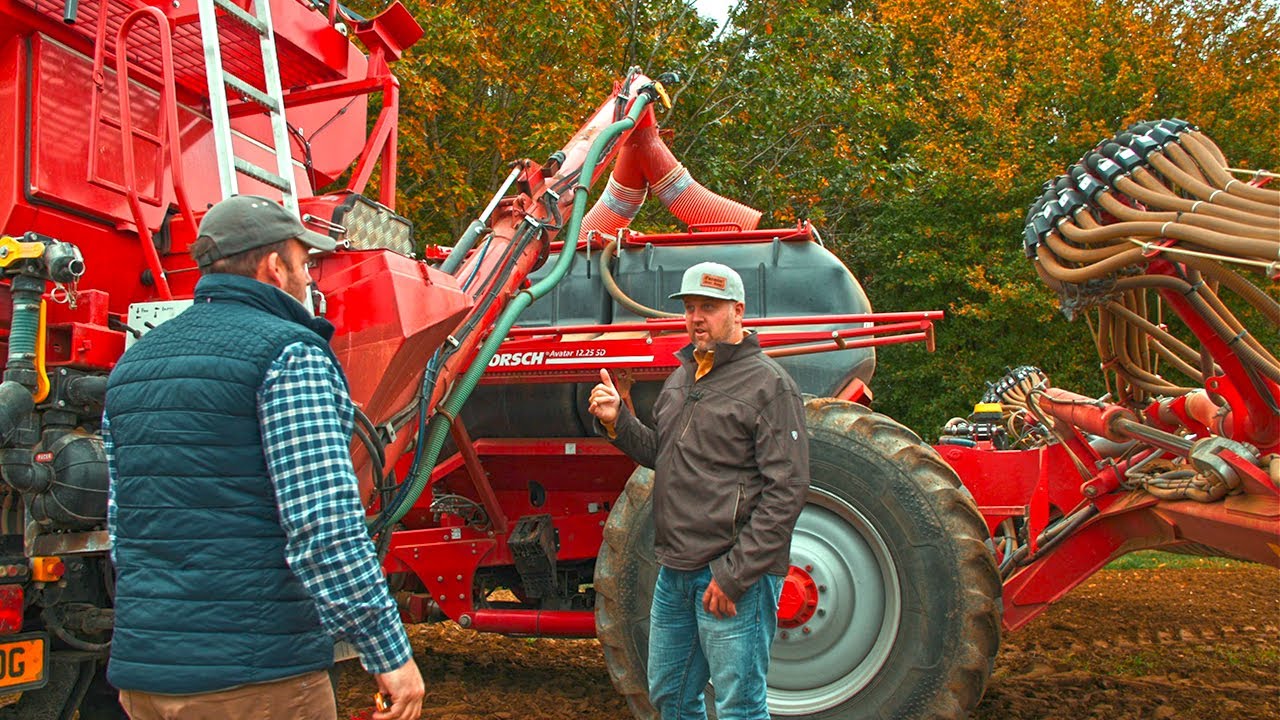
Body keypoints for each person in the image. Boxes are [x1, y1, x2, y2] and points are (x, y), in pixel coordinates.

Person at [103, 195, 424, 720]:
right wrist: (387, 650)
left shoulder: (134, 363)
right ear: (274, 266)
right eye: (304, 264)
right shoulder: (290, 354)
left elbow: (125, 529)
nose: (309, 280)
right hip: (257, 682)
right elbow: (324, 529)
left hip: (147, 681)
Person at [587, 261, 810, 719]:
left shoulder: (770, 386)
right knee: (669, 696)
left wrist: (735, 574)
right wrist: (619, 421)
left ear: (738, 311)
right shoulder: (682, 379)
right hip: (675, 570)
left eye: (709, 307)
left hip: (731, 574)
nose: (696, 318)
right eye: (690, 308)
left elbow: (786, 490)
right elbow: (660, 454)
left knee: (739, 706)